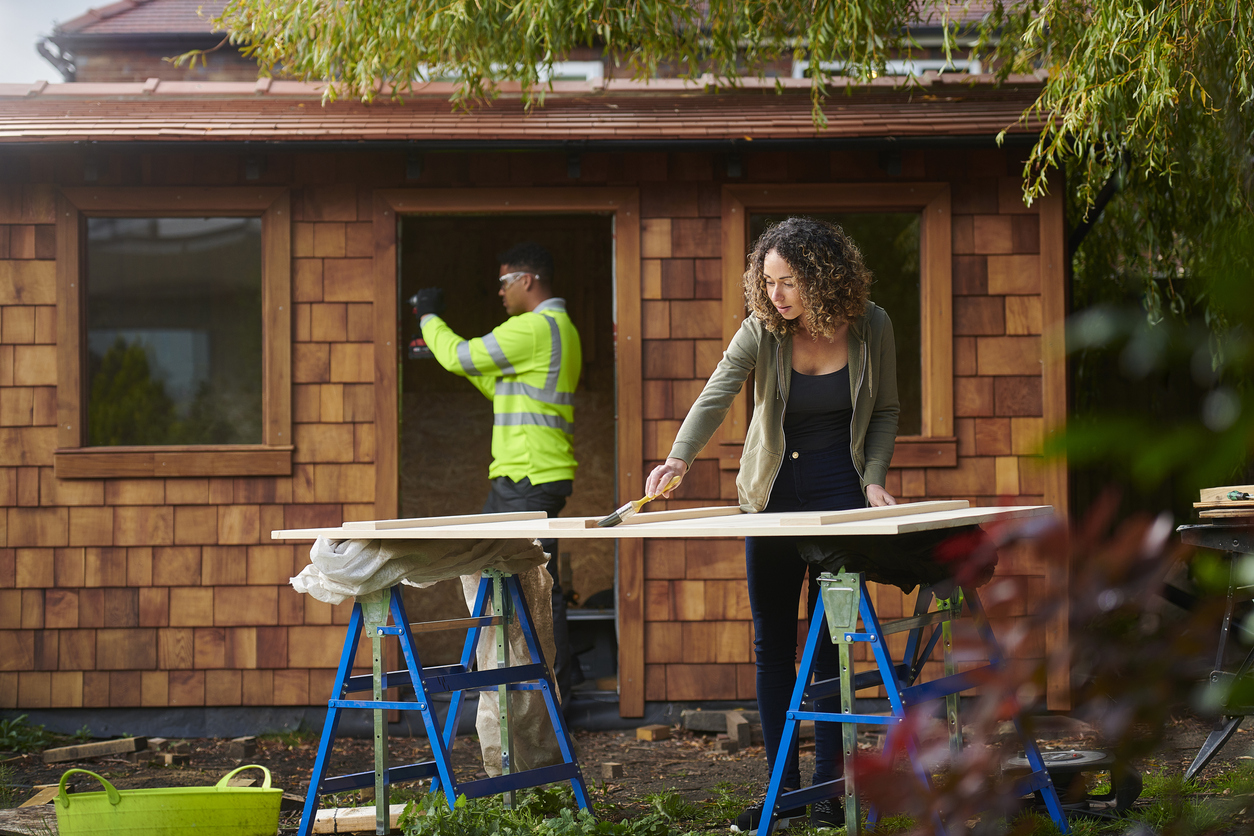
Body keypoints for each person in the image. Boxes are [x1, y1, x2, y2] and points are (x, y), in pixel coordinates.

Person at [645, 217, 899, 832]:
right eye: (769, 281)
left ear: (823, 277)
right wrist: (680, 456)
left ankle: (830, 786)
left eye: (788, 282)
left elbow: (885, 408)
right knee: (773, 645)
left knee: (834, 646)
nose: (777, 294)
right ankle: (781, 789)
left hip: (843, 501)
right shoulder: (762, 331)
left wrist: (872, 479)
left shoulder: (873, 325)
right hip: (773, 496)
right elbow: (717, 393)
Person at [413, 242, 583, 700]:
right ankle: (532, 693)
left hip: (526, 478)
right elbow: (493, 382)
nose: (501, 293)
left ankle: (548, 698)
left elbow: (461, 356)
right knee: (530, 585)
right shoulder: (557, 330)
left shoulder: (533, 328)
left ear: (527, 280)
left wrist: (428, 319)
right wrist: (445, 352)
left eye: (505, 283)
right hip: (529, 478)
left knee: (535, 591)